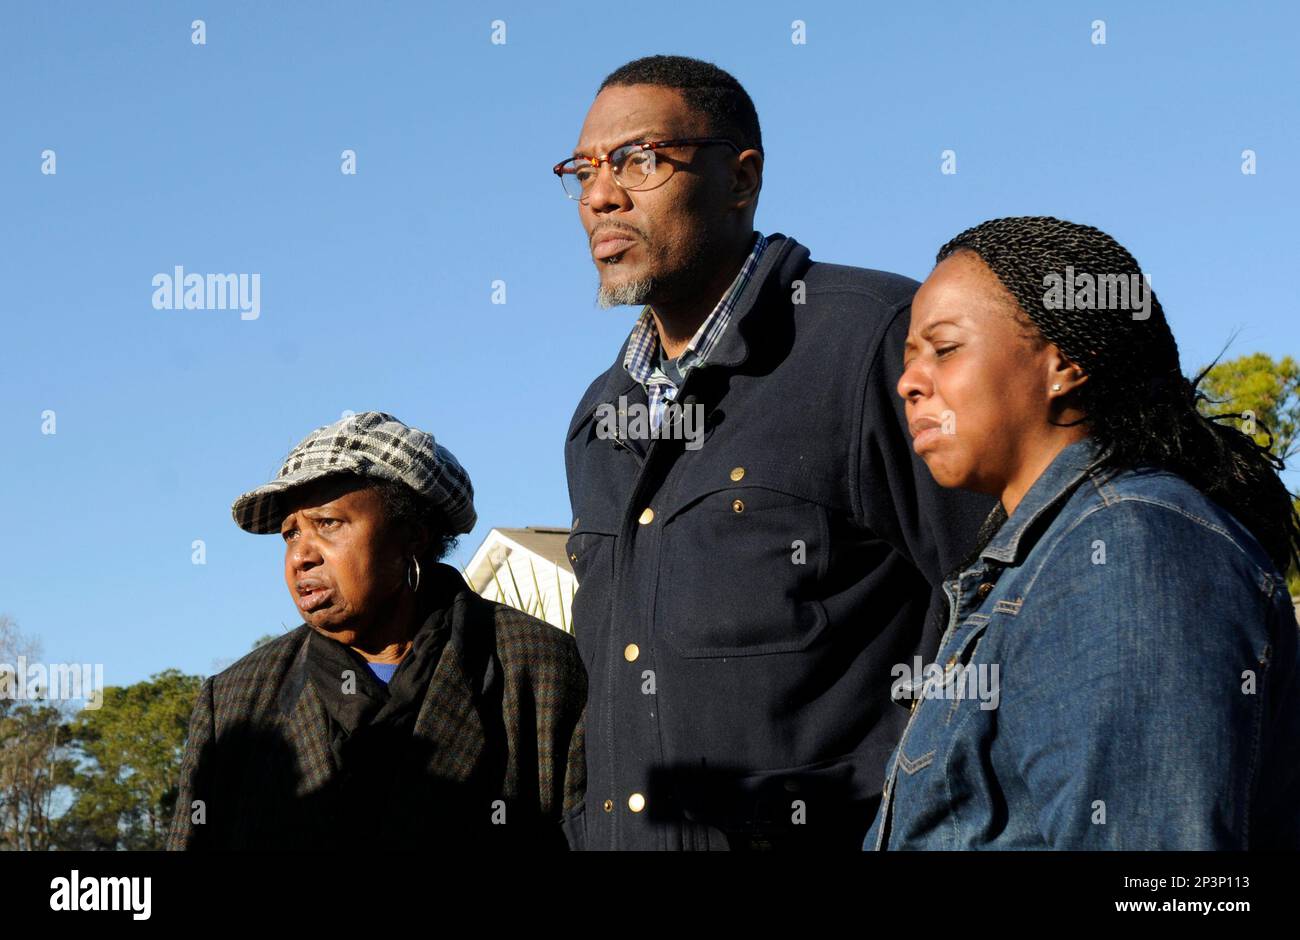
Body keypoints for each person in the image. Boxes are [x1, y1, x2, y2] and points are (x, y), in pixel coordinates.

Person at [556, 54, 993, 850]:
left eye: (638, 160)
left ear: (741, 178)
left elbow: (1001, 600)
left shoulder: (875, 340)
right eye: (582, 170)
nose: (599, 195)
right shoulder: (599, 419)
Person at [867, 216, 1300, 850]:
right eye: (909, 359)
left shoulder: (1127, 550)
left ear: (1064, 365)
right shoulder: (1034, 567)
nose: (909, 382)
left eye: (945, 348)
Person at [167, 411, 586, 850]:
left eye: (328, 523)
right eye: (291, 534)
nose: (300, 557)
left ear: (412, 536)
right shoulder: (235, 701)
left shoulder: (538, 668)